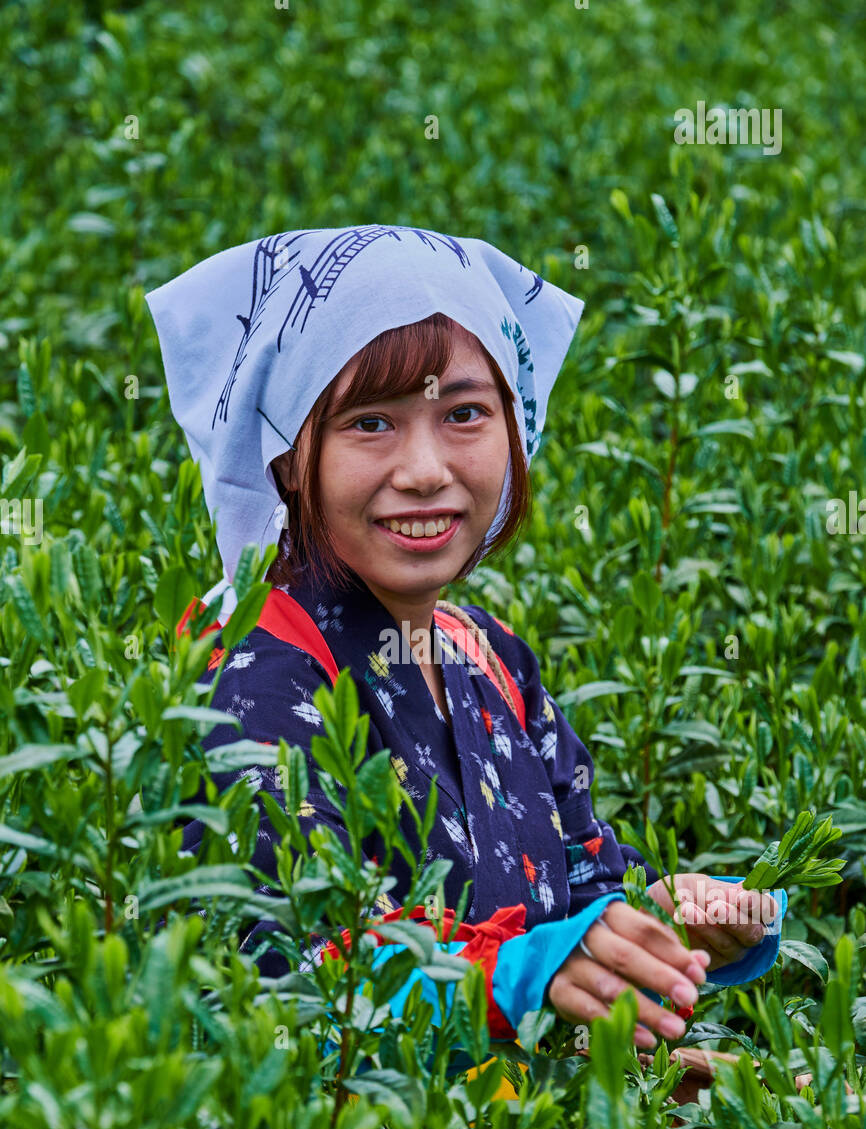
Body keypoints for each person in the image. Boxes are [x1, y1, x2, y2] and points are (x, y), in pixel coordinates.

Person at [147, 222, 784, 1051]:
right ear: (288, 456)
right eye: (370, 423)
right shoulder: (247, 683)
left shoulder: (489, 656)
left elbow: (583, 884)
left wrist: (670, 923)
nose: (423, 469)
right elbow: (283, 984)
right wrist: (515, 982)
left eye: (466, 414)